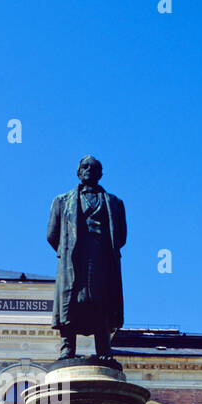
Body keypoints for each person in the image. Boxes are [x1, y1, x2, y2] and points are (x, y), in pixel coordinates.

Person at [47, 155, 127, 361]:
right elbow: (52, 234)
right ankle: (67, 348)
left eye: (93, 167)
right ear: (78, 171)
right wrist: (67, 250)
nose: (89, 170)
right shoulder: (62, 201)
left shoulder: (115, 203)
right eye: (85, 166)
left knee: (102, 301)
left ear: (100, 173)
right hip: (73, 260)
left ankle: (103, 348)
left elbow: (121, 236)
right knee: (71, 301)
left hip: (102, 259)